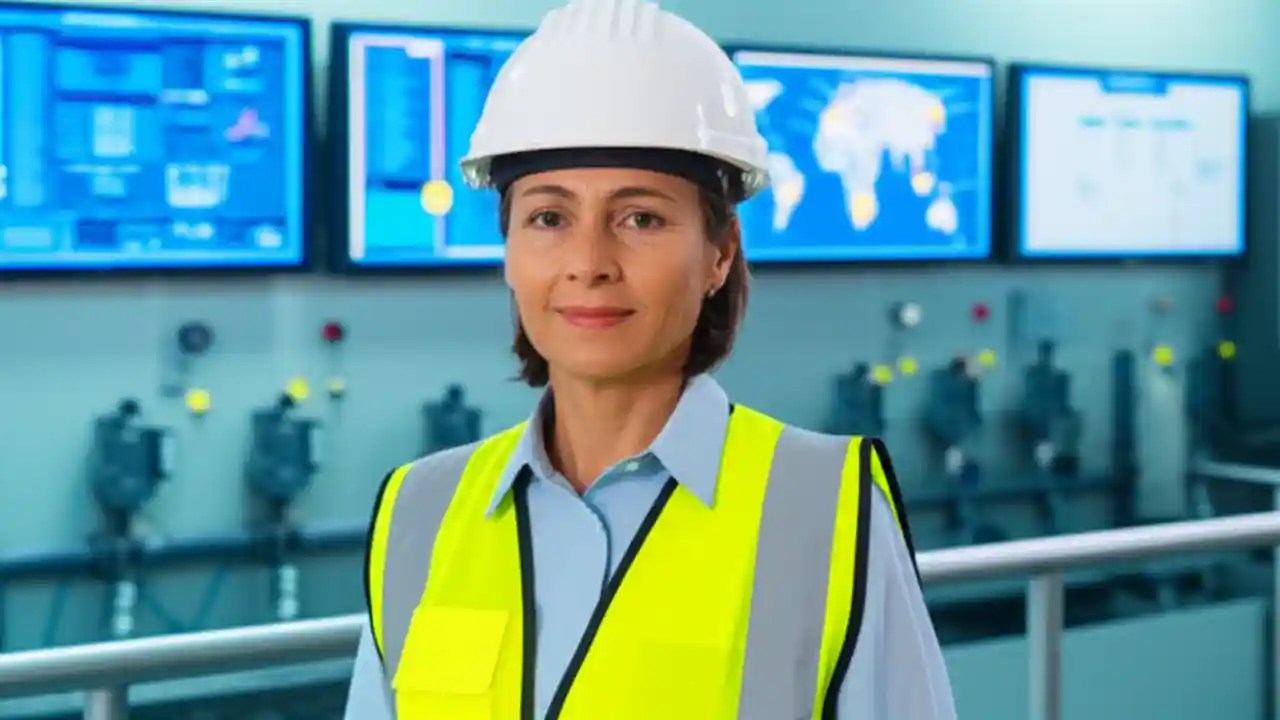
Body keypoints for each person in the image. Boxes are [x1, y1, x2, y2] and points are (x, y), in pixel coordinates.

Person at [345, 0, 956, 716]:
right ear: (508, 249)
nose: (589, 263)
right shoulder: (420, 512)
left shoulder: (825, 510)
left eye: (640, 218)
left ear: (719, 254)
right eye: (549, 217)